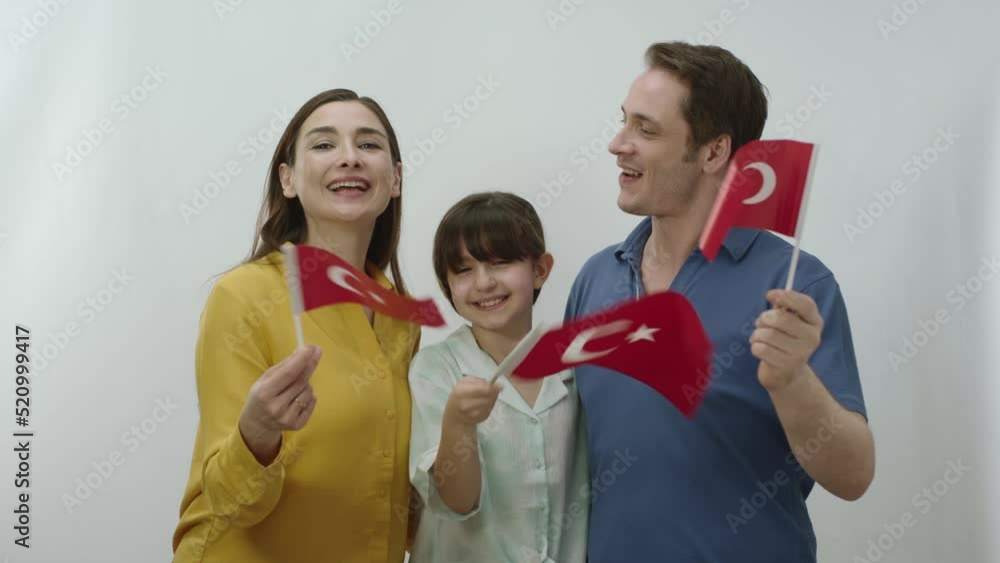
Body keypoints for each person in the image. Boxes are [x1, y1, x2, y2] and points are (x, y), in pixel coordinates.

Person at [565, 42, 876, 562]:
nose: (618, 144)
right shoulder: (596, 278)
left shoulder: (796, 287)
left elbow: (853, 475)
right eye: (624, 122)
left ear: (713, 152)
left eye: (646, 129)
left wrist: (792, 379)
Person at [172, 89, 421, 562]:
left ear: (396, 179)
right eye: (324, 145)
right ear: (287, 179)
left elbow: (386, 491)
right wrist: (257, 432)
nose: (349, 158)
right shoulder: (242, 298)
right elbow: (229, 502)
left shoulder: (400, 314)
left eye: (368, 145)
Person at [408, 192, 589, 563]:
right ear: (446, 282)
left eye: (501, 262)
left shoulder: (576, 368)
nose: (484, 282)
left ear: (540, 269)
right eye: (463, 270)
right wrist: (458, 423)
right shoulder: (435, 369)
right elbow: (457, 502)